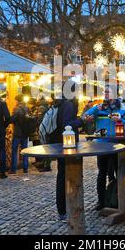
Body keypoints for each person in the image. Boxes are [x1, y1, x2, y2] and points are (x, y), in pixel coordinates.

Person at [84, 85, 125, 210]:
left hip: (117, 145)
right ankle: (101, 201)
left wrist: (120, 120)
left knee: (118, 172)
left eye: (108, 92)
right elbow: (84, 117)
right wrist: (94, 111)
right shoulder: (99, 108)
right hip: (102, 145)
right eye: (104, 92)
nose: (105, 94)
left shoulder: (122, 109)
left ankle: (118, 199)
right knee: (102, 173)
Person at [48, 82, 83, 221]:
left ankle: (62, 208)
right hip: (67, 144)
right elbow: (66, 124)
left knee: (61, 175)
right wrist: (81, 120)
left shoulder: (60, 102)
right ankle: (65, 208)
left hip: (60, 144)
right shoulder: (68, 104)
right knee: (66, 175)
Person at [9, 94, 30, 174]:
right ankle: (25, 169)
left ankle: (13, 169)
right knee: (25, 150)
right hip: (25, 133)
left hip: (17, 133)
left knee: (14, 151)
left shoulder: (16, 109)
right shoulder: (27, 108)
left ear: (17, 100)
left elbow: (12, 120)